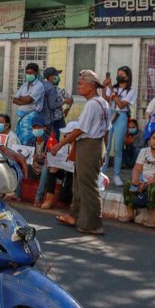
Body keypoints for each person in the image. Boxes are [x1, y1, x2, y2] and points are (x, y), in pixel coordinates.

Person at [51, 70, 108, 235]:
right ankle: (74, 216)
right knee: (78, 182)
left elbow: (79, 130)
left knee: (88, 186)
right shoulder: (103, 102)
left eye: (81, 83)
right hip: (95, 146)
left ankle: (93, 224)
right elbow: (106, 130)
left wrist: (59, 145)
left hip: (89, 146)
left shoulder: (92, 104)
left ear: (90, 86)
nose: (79, 87)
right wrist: (104, 150)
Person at [104, 67, 135, 171]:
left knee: (118, 148)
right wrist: (105, 86)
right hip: (111, 114)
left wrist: (112, 90)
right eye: (118, 74)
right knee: (106, 147)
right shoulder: (113, 87)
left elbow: (121, 105)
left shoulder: (131, 91)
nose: (119, 77)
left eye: (122, 75)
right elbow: (105, 98)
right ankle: (103, 170)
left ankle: (116, 174)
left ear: (128, 77)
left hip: (121, 116)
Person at [11, 62, 48, 143]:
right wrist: (25, 99)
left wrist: (21, 98)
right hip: (21, 116)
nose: (28, 74)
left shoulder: (39, 86)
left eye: (31, 73)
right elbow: (14, 100)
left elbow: (29, 99)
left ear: (36, 73)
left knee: (27, 139)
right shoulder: (24, 85)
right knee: (19, 139)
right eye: (27, 73)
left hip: (31, 116)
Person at [41, 67, 67, 139]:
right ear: (50, 77)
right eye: (56, 75)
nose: (58, 77)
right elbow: (52, 105)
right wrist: (63, 102)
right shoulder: (51, 87)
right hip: (52, 119)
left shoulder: (42, 85)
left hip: (42, 118)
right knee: (56, 139)